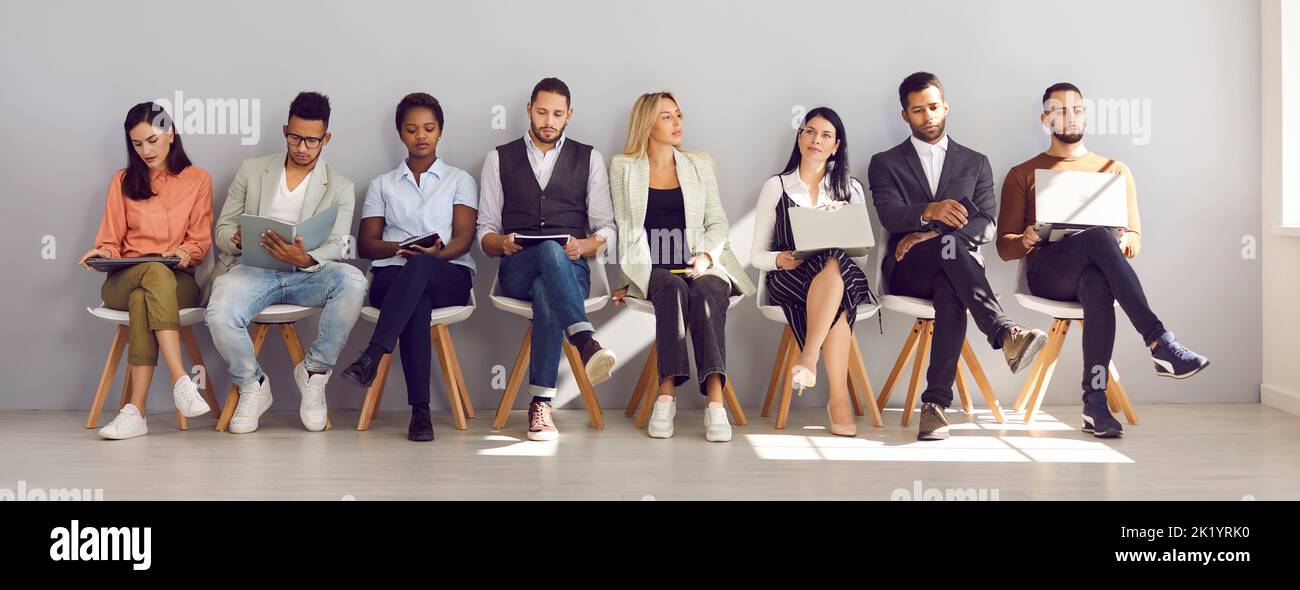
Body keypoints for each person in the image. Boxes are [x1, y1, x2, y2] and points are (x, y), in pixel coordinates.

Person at [997, 82, 1209, 438]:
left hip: (1092, 273)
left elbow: (1135, 240)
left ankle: (1095, 406)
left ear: (1086, 113)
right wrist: (1026, 238)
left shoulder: (1115, 169)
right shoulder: (1023, 173)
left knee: (1097, 280)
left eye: (1077, 109)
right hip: (1048, 273)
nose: (1070, 116)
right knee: (1096, 236)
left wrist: (1124, 241)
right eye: (1060, 110)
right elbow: (1005, 247)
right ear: (1045, 118)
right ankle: (1160, 342)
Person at [868, 72, 1047, 442]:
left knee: (950, 290)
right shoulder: (884, 162)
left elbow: (986, 225)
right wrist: (931, 211)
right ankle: (1005, 333)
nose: (928, 116)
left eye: (933, 107)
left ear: (945, 107)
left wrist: (929, 234)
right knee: (948, 257)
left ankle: (934, 407)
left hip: (952, 268)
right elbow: (889, 215)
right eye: (918, 110)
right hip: (906, 268)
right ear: (905, 115)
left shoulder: (976, 162)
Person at [205, 91, 367, 434]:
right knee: (219, 313)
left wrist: (306, 257)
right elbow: (222, 228)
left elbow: (338, 243)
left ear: (326, 138)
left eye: (311, 139)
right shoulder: (252, 170)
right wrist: (235, 238)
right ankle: (252, 385)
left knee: (353, 282)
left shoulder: (340, 186)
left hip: (307, 274)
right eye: (295, 137)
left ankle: (313, 373)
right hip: (252, 269)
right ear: (285, 131)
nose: (302, 147)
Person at [476, 77, 619, 442]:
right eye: (541, 111)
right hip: (517, 269)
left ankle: (541, 405)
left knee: (548, 285)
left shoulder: (589, 158)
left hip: (570, 270)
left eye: (557, 113)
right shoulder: (498, 158)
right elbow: (485, 232)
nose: (548, 121)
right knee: (544, 261)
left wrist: (583, 247)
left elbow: (606, 228)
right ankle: (585, 340)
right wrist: (502, 242)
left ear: (569, 115)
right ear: (529, 109)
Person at [609, 91, 756, 442]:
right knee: (672, 289)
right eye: (667, 117)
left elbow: (718, 223)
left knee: (705, 291)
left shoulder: (698, 165)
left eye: (679, 115)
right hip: (656, 268)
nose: (678, 123)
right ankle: (666, 395)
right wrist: (631, 278)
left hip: (701, 264)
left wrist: (707, 256)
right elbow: (626, 230)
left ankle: (715, 403)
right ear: (647, 124)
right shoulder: (624, 168)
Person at [340, 93, 478, 442]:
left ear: (440, 131)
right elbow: (368, 243)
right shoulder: (381, 184)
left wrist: (435, 254)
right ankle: (420, 413)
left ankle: (373, 354)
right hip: (392, 274)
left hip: (449, 273)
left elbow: (464, 238)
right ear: (401, 133)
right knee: (415, 293)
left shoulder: (459, 180)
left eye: (429, 128)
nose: (421, 135)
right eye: (412, 129)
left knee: (421, 270)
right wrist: (399, 247)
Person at [80, 102, 214, 440]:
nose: (145, 151)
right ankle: (181, 379)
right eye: (137, 144)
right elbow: (111, 241)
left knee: (148, 292)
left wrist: (183, 252)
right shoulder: (122, 182)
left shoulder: (197, 180)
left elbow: (199, 242)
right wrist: (102, 252)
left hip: (177, 281)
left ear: (170, 134)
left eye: (152, 140)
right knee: (148, 276)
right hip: (121, 282)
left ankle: (134, 412)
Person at [750, 106, 872, 437]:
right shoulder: (776, 187)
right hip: (792, 278)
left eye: (826, 135)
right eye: (809, 132)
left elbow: (860, 260)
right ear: (800, 137)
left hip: (842, 276)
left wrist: (840, 224)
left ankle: (808, 357)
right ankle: (838, 400)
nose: (816, 140)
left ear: (836, 146)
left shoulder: (851, 190)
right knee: (839, 302)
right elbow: (756, 255)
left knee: (834, 261)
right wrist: (780, 260)